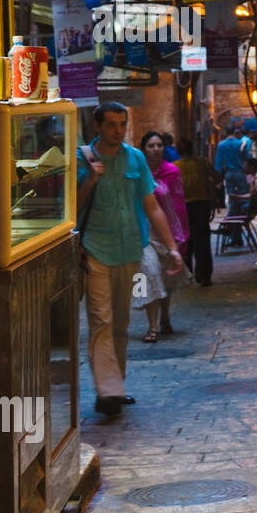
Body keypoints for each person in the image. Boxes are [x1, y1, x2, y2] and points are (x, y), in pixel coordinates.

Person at [76, 103, 182, 417]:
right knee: (101, 320)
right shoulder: (83, 160)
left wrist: (171, 246)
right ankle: (107, 390)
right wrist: (89, 182)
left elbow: (151, 206)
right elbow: (72, 206)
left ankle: (114, 385)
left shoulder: (135, 158)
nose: (118, 131)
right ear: (97, 126)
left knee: (120, 321)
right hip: (95, 249)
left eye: (122, 124)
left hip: (130, 250)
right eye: (111, 124)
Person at [133, 132, 190, 343]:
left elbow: (178, 205)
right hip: (144, 232)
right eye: (151, 145)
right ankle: (152, 327)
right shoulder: (136, 173)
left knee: (166, 279)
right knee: (150, 272)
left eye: (159, 145)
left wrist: (180, 235)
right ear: (143, 149)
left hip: (166, 231)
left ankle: (165, 317)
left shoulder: (172, 172)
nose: (156, 149)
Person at [175, 137, 216, 286]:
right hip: (201, 205)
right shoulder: (202, 163)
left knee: (186, 241)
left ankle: (187, 275)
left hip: (183, 208)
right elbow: (217, 178)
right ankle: (204, 275)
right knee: (203, 242)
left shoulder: (174, 167)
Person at [215, 126, 248, 203]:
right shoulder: (240, 143)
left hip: (228, 173)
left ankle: (232, 211)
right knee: (243, 195)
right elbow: (246, 158)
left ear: (226, 133)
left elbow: (218, 162)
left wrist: (217, 178)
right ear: (234, 132)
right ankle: (242, 211)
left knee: (231, 195)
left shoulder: (221, 145)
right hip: (240, 173)